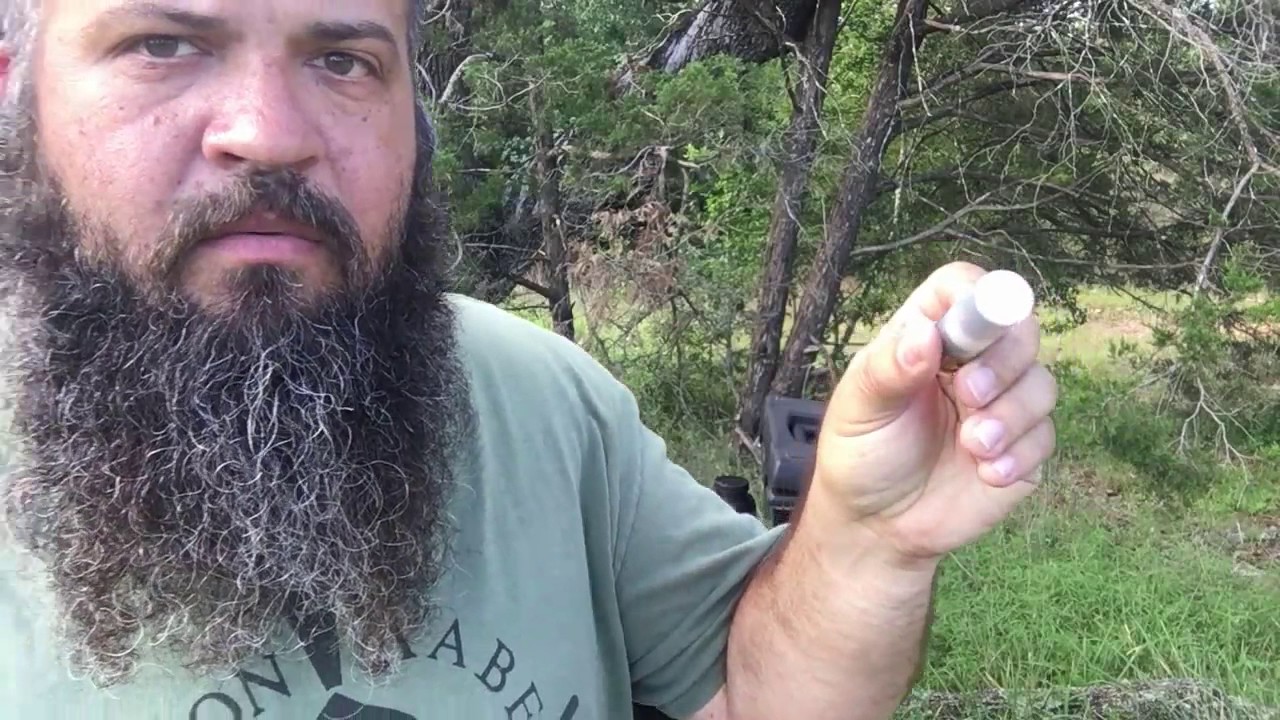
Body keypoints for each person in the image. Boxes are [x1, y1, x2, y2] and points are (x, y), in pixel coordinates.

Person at [0, 1, 1058, 718]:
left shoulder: (539, 400)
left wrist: (864, 539)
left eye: (342, 60)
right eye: (164, 43)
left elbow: (757, 693)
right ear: (17, 84)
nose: (270, 132)